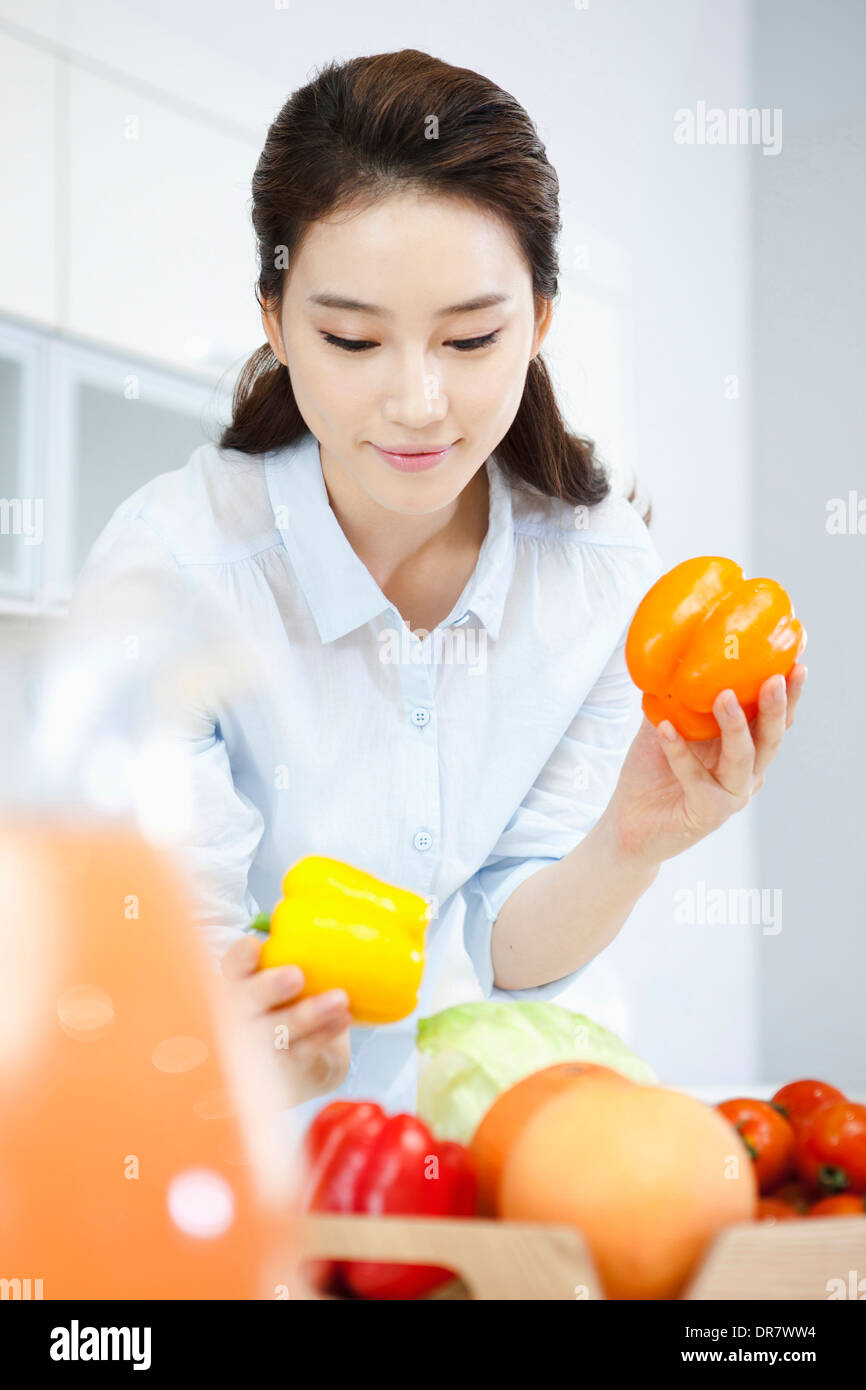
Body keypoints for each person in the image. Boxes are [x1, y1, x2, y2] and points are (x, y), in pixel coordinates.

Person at [70, 49, 806, 1128]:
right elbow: (167, 944)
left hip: (515, 1150)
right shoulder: (175, 569)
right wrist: (217, 1041)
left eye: (469, 338)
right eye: (351, 338)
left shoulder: (602, 576)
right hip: (250, 1162)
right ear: (273, 321)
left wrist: (627, 844)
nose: (416, 402)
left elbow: (508, 942)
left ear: (539, 321)